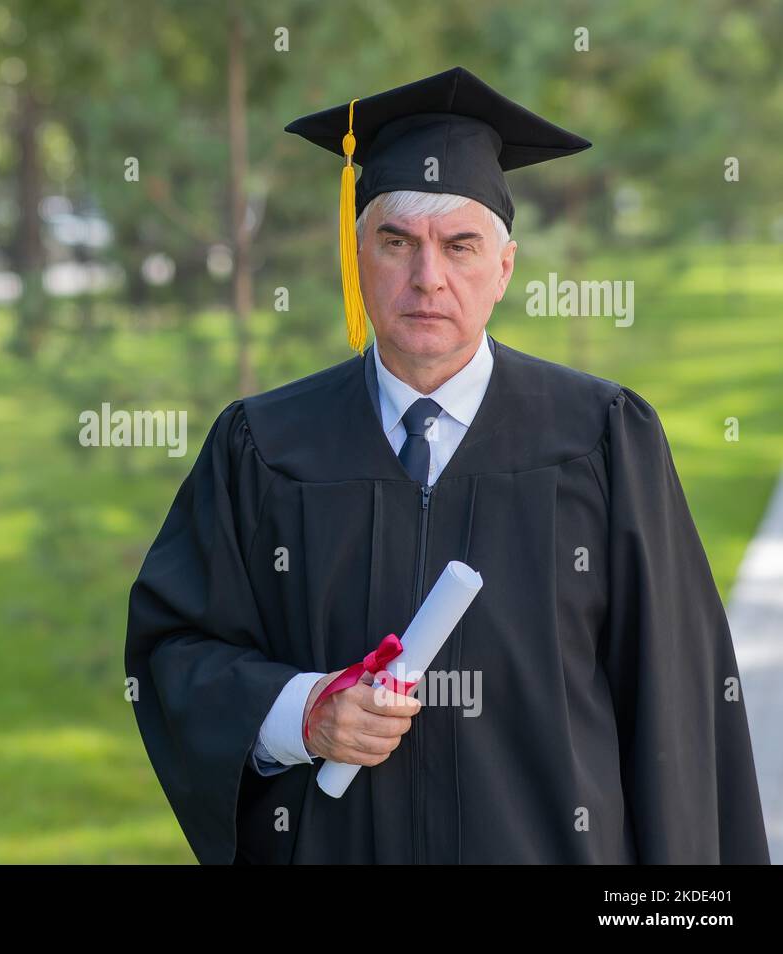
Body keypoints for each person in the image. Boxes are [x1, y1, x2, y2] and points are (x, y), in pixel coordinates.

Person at [123, 67, 771, 864]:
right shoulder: (264, 446)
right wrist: (303, 713)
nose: (427, 277)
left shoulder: (602, 439)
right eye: (396, 242)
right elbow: (177, 652)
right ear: (358, 256)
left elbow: (679, 709)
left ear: (503, 269)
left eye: (459, 245)